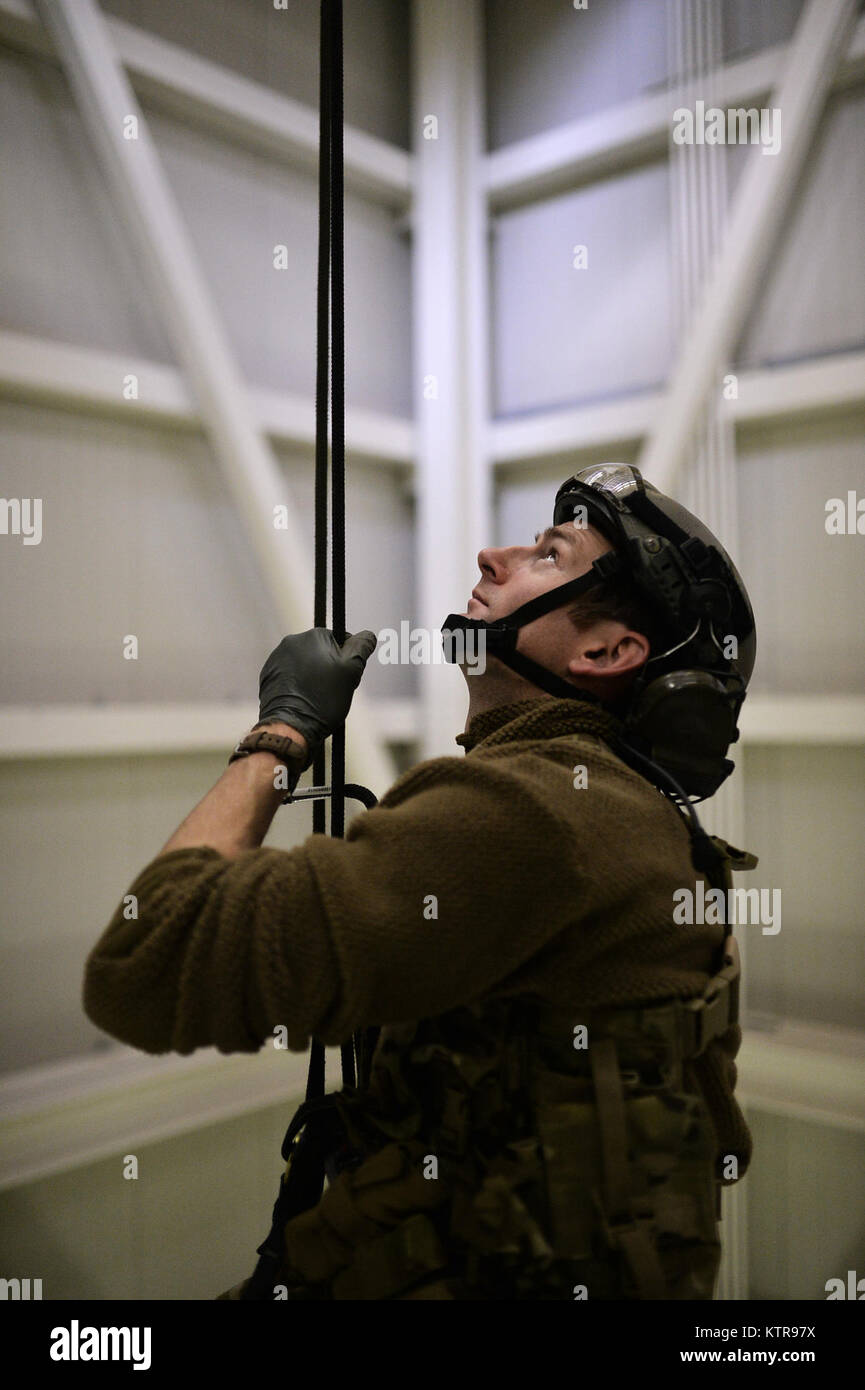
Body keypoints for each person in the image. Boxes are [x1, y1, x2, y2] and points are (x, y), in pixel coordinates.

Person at [83, 463, 756, 1301]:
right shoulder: (626, 808)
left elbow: (147, 961)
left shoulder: (538, 810)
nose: (491, 557)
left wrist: (279, 735)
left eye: (548, 555)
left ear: (605, 652)